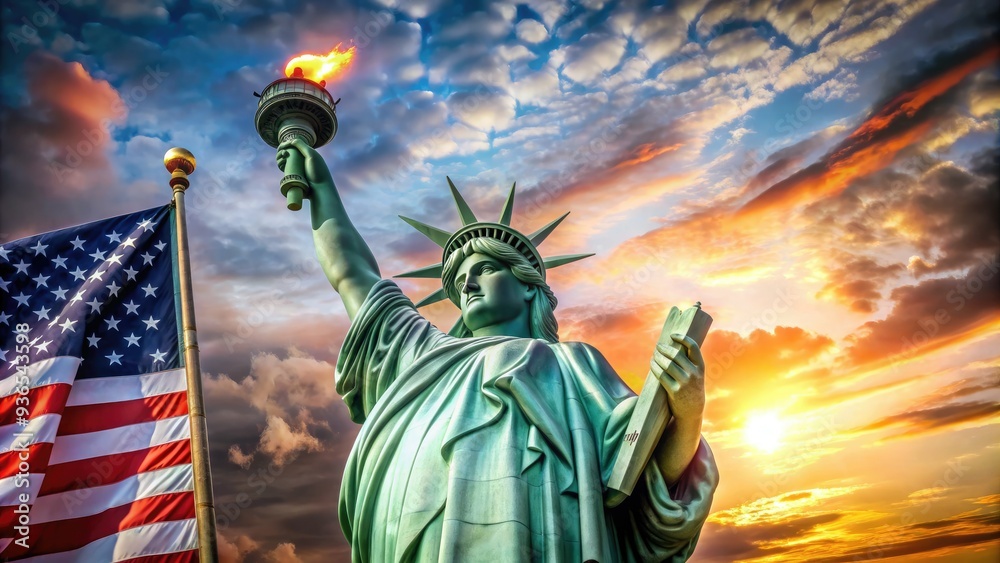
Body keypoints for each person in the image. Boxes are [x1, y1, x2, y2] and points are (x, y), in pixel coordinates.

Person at [277, 139, 719, 562]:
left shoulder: (572, 364)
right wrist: (322, 192)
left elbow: (641, 478)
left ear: (528, 288)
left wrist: (687, 412)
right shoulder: (424, 355)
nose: (466, 285)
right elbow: (352, 274)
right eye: (460, 279)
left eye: (484, 269)